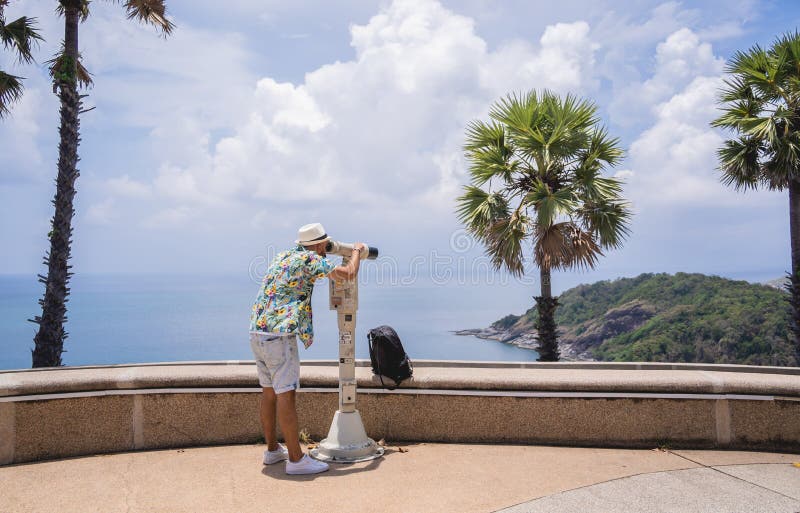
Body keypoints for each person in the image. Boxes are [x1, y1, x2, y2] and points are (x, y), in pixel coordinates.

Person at [249, 222, 365, 475]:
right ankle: (296, 460)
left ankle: (272, 451)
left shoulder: (283, 256)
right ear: (319, 245)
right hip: (279, 336)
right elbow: (348, 273)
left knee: (269, 393)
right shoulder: (311, 259)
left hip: (258, 330)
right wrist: (357, 251)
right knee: (286, 395)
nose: (325, 248)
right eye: (325, 245)